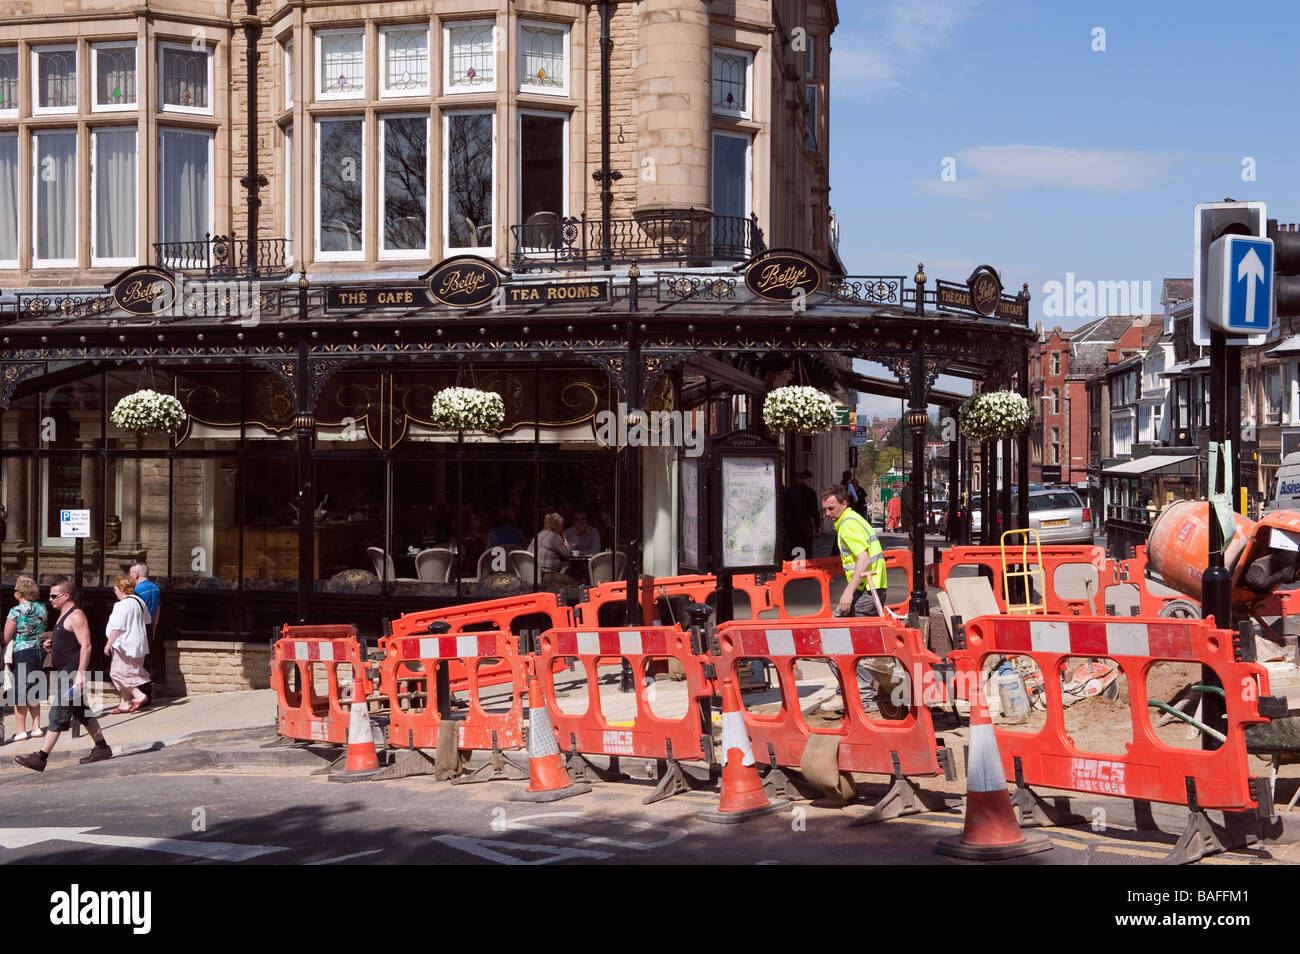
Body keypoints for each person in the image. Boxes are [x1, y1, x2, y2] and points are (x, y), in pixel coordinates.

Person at [821, 486, 905, 717]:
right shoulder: (854, 519)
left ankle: (860, 696)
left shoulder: (847, 525)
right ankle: (851, 691)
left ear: (844, 504)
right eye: (825, 509)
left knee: (838, 640)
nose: (827, 513)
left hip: (866, 592)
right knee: (859, 643)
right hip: (873, 588)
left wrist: (847, 592)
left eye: (831, 508)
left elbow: (864, 559)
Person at [13, 577, 113, 771]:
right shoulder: (62, 615)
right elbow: (70, 642)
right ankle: (102, 747)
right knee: (82, 712)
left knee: (57, 713)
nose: (50, 599)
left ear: (66, 596)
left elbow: (87, 645)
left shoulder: (76, 615)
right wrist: (52, 645)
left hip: (71, 674)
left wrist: (81, 674)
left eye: (54, 596)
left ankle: (41, 757)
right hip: (65, 671)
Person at [4, 575, 47, 742]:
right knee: (34, 690)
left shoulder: (16, 611)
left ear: (19, 593)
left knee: (20, 692)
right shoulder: (42, 607)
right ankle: (36, 728)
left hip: (22, 651)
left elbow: (7, 636)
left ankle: (21, 731)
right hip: (39, 651)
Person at [105, 575, 151, 713]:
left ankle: (139, 695)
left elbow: (118, 627)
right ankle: (124, 703)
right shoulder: (139, 601)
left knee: (116, 673)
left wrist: (109, 643)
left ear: (121, 588)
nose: (114, 591)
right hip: (139, 645)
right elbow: (147, 620)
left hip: (125, 645)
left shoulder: (122, 605)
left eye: (115, 588)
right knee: (127, 673)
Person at [129, 563, 162, 694]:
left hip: (138, 629)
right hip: (148, 628)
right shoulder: (155, 588)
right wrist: (154, 627)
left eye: (130, 572)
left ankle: (140, 695)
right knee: (146, 662)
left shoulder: (136, 591)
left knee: (136, 663)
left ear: (135, 575)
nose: (129, 575)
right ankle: (146, 694)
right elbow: (158, 609)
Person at [531, 513, 578, 586]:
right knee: (574, 581)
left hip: (532, 575)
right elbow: (567, 554)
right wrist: (563, 537)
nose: (562, 528)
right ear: (557, 526)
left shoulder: (538, 535)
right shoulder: (554, 537)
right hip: (546, 576)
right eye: (562, 526)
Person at [783, 470, 819, 559]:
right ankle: (805, 567)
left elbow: (785, 508)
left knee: (794, 546)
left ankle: (794, 566)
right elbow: (814, 510)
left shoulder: (790, 491)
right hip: (805, 525)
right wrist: (818, 525)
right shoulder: (810, 492)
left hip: (792, 525)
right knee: (806, 548)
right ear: (808, 480)